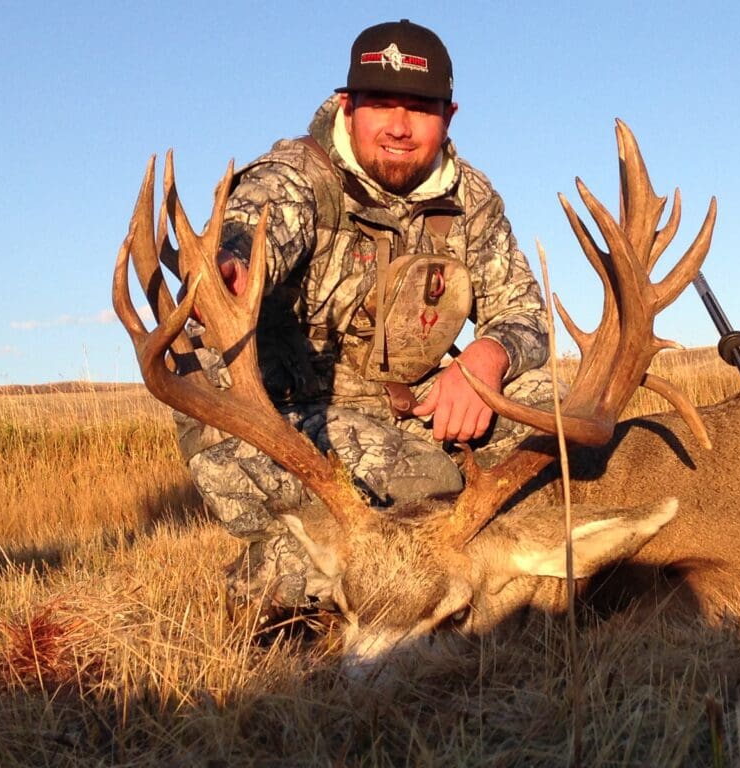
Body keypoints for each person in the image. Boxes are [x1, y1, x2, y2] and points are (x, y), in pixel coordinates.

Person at [176, 19, 552, 622]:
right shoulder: (296, 177)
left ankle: (494, 563)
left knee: (551, 411)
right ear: (348, 107)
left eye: (419, 108)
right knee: (418, 478)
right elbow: (256, 225)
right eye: (380, 103)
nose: (399, 127)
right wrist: (234, 262)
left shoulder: (471, 200)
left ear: (449, 116)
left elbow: (524, 313)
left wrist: (486, 360)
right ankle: (283, 577)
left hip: (407, 414)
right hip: (282, 422)